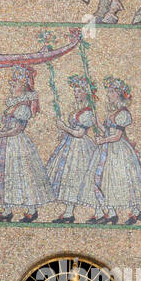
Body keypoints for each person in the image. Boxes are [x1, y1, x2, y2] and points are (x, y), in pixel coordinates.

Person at [0, 65, 55, 222]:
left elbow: (18, 128)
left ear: (24, 87)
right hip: (5, 142)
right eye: (11, 85)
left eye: (14, 85)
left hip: (16, 143)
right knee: (4, 173)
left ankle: (31, 210)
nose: (11, 87)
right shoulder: (13, 105)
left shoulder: (23, 107)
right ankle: (7, 210)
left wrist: (2, 134)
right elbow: (9, 126)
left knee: (23, 173)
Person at [78, 77, 141, 225]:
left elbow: (117, 136)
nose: (108, 94)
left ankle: (135, 212)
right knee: (105, 180)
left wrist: (103, 140)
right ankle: (111, 213)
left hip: (118, 149)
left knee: (124, 180)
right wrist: (96, 122)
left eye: (112, 92)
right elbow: (107, 130)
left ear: (119, 94)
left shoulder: (123, 113)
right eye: (108, 91)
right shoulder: (113, 112)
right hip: (107, 148)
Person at [46, 75, 98, 223]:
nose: (76, 93)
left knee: (84, 178)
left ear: (86, 92)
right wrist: (64, 132)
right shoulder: (78, 109)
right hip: (70, 144)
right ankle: (69, 212)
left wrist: (64, 128)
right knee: (69, 178)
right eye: (75, 90)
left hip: (80, 146)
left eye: (79, 90)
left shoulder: (87, 112)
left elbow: (80, 133)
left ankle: (99, 211)